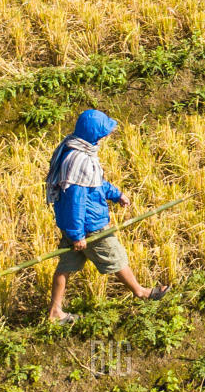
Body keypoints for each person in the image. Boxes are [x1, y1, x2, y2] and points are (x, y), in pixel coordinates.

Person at [45, 109, 167, 323]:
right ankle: (141, 292)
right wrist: (77, 234)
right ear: (95, 134)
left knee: (65, 267)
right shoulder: (80, 160)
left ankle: (55, 311)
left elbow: (96, 184)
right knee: (116, 257)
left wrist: (116, 194)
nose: (106, 137)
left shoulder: (75, 148)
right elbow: (75, 200)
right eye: (104, 134)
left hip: (74, 225)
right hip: (89, 226)